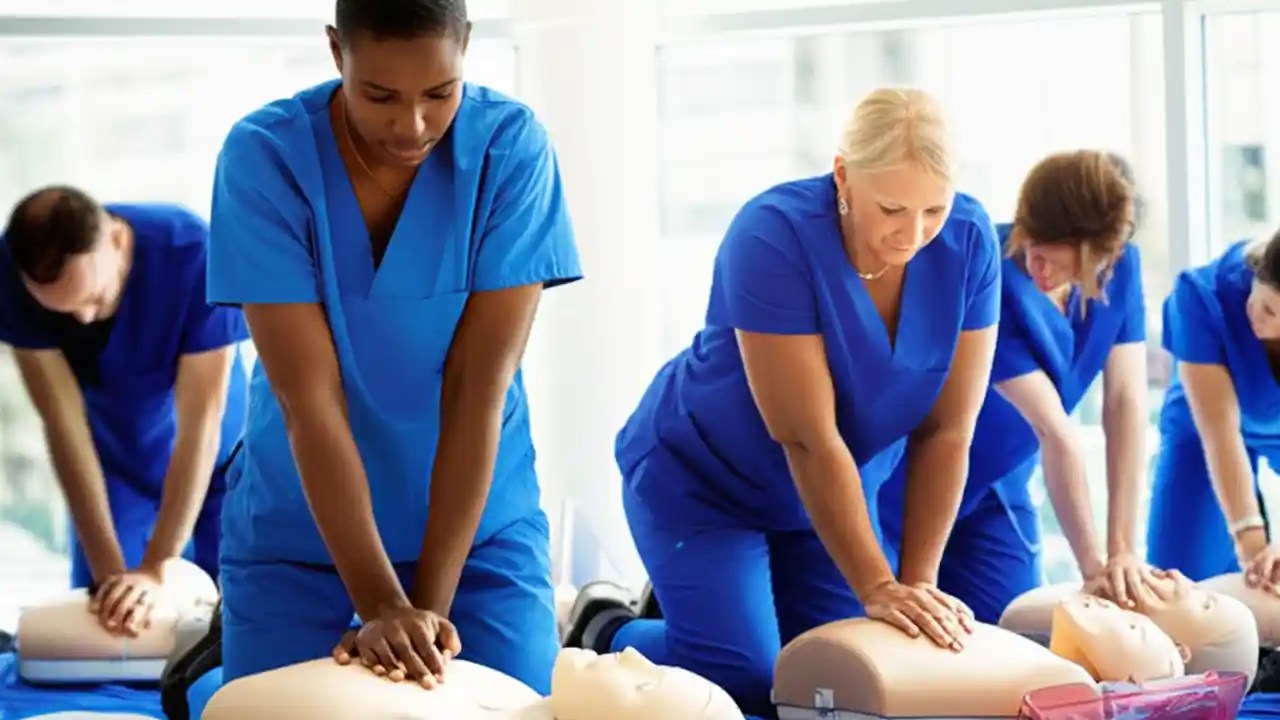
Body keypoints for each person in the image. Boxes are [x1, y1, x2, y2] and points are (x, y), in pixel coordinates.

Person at [563, 87, 1000, 718]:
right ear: (844, 175)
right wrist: (876, 584)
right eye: (892, 209)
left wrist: (916, 585)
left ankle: (701, 614)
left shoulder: (968, 243)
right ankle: (606, 628)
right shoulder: (772, 234)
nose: (914, 234)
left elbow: (949, 431)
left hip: (829, 493)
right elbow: (806, 436)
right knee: (743, 676)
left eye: (935, 208)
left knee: (834, 673)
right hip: (704, 478)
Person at [206, 0, 581, 695]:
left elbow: (478, 386)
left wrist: (426, 616)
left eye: (440, 93)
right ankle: (202, 667)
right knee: (266, 708)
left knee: (510, 706)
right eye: (379, 95)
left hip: (478, 531)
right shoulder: (265, 156)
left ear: (466, 46)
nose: (412, 127)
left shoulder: (510, 148)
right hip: (300, 530)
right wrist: (380, 605)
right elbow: (307, 401)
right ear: (335, 52)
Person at [878, 151, 1154, 625]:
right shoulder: (991, 275)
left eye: (1051, 257)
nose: (1034, 265)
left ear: (1099, 253)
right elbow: (1056, 432)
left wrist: (1123, 551)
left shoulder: (1122, 270)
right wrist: (1094, 571)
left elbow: (1125, 403)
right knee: (903, 634)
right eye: (1031, 247)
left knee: (1017, 634)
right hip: (910, 481)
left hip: (996, 486)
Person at [0, 186, 248, 637]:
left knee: (229, 618)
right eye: (63, 310)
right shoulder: (11, 273)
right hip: (113, 459)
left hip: (216, 460)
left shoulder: (193, 254)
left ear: (116, 240)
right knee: (110, 618)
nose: (82, 321)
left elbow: (201, 424)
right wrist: (112, 577)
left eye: (93, 298)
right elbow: (63, 423)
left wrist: (158, 567)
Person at [1147, 224, 1280, 587]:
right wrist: (1253, 548)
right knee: (1176, 579)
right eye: (1262, 299)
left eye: (1274, 316)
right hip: (1203, 426)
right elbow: (1220, 434)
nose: (1257, 315)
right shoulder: (1203, 296)